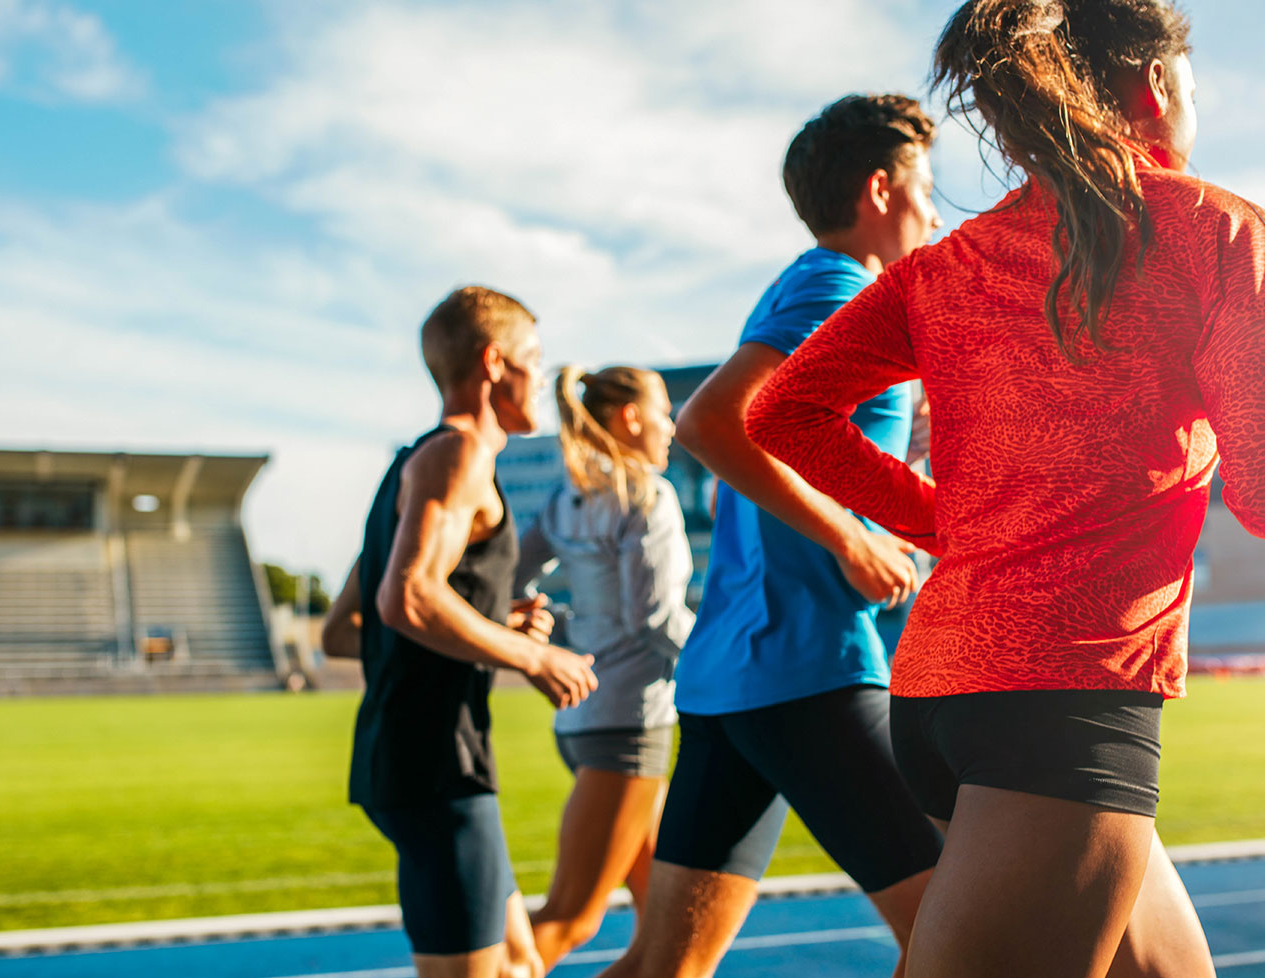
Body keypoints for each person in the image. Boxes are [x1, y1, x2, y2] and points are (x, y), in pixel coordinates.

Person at [745, 3, 1265, 976]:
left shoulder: (944, 265)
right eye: (1191, 90)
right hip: (1062, 699)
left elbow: (783, 414)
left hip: (938, 690)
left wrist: (944, 523)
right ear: (1156, 89)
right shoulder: (1217, 230)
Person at [597, 94, 945, 978]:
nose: (936, 215)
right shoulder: (840, 281)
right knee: (961, 939)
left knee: (658, 969)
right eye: (926, 190)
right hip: (808, 665)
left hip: (734, 680)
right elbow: (711, 423)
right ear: (879, 189)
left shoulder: (811, 285)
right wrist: (851, 541)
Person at [321, 286, 599, 978]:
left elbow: (343, 629)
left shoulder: (408, 466)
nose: (542, 374)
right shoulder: (461, 454)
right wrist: (532, 655)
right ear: (494, 362)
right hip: (432, 762)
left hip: (430, 758)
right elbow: (408, 598)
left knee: (519, 964)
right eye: (534, 357)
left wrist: (490, 622)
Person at [515, 365, 696, 969]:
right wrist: (719, 664)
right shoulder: (648, 495)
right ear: (631, 417)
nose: (672, 426)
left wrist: (558, 628)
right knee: (571, 919)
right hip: (628, 727)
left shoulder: (568, 499)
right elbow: (656, 619)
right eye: (665, 411)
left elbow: (510, 578)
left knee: (666, 924)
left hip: (581, 723)